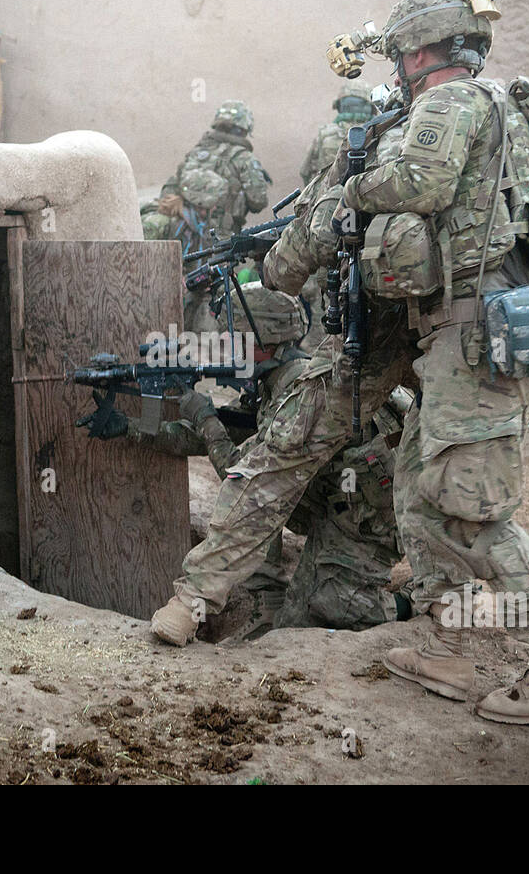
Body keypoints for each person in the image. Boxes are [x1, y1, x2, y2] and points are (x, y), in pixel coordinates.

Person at [319, 0, 529, 725]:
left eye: (403, 54)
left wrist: (353, 188)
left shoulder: (451, 104)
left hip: (475, 341)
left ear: (423, 50)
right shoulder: (498, 108)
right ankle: (446, 646)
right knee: (419, 487)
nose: (401, 70)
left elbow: (420, 180)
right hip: (471, 337)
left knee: (472, 512)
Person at [80, 282, 415, 637]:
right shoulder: (271, 381)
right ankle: (265, 596)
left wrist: (203, 416)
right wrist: (129, 428)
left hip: (369, 521)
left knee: (325, 606)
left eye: (233, 340)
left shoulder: (298, 387)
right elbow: (219, 437)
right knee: (289, 622)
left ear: (264, 342)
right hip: (332, 504)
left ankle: (416, 599)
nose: (224, 349)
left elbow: (246, 473)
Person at [141, 100, 271, 331]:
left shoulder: (198, 153)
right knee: (215, 295)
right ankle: (205, 348)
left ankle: (172, 339)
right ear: (244, 128)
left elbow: (170, 188)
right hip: (219, 239)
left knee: (180, 286)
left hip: (186, 232)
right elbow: (258, 200)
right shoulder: (243, 159)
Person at [300, 79, 376, 185]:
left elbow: (305, 172)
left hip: (328, 197)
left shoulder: (325, 134)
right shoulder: (380, 133)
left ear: (340, 106)